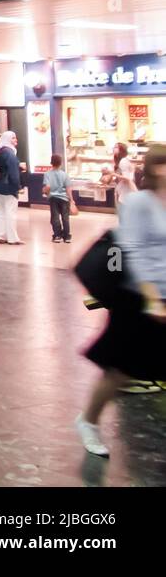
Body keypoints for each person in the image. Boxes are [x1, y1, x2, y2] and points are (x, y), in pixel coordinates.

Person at [76, 145, 166, 458]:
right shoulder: (139, 202)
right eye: (162, 165)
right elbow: (133, 250)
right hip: (138, 297)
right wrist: (152, 298)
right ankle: (88, 421)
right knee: (120, 368)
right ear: (152, 170)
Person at [0, 131, 23, 245]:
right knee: (10, 212)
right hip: (8, 186)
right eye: (13, 138)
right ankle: (12, 238)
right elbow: (13, 173)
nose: (16, 140)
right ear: (8, 139)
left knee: (0, 211)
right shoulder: (10, 153)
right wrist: (17, 186)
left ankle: (2, 236)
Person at [44, 153, 72, 243]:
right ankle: (67, 236)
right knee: (65, 217)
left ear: (51, 163)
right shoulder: (65, 175)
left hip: (53, 198)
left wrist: (46, 193)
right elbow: (68, 188)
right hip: (64, 198)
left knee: (55, 217)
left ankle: (57, 236)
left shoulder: (47, 174)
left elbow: (47, 187)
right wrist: (71, 199)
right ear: (61, 163)